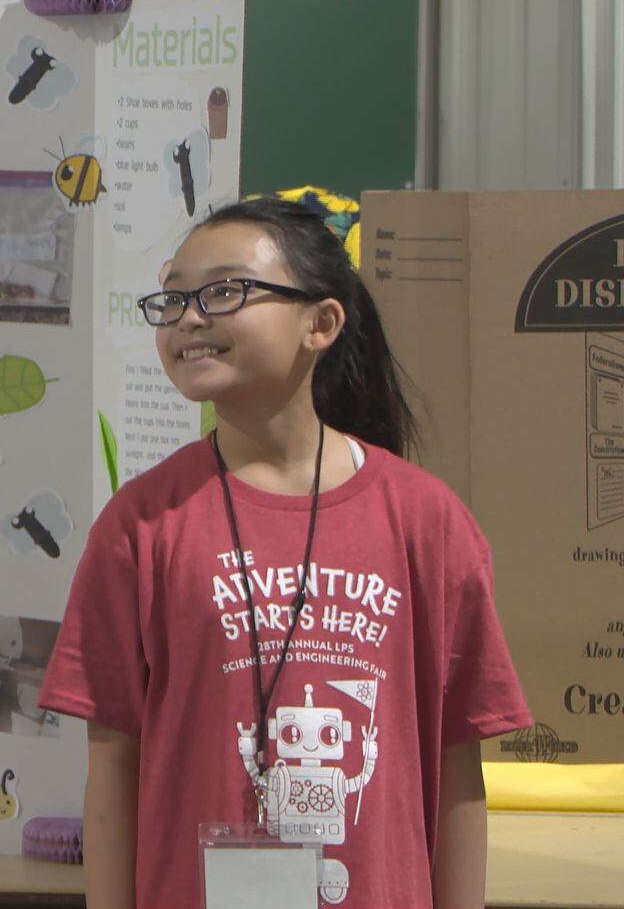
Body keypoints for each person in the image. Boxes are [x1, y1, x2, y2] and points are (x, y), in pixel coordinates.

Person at [38, 198, 531, 909]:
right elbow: (111, 773)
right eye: (174, 297)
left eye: (225, 291)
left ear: (321, 323)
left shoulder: (427, 523)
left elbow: (458, 770)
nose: (190, 317)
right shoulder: (141, 525)